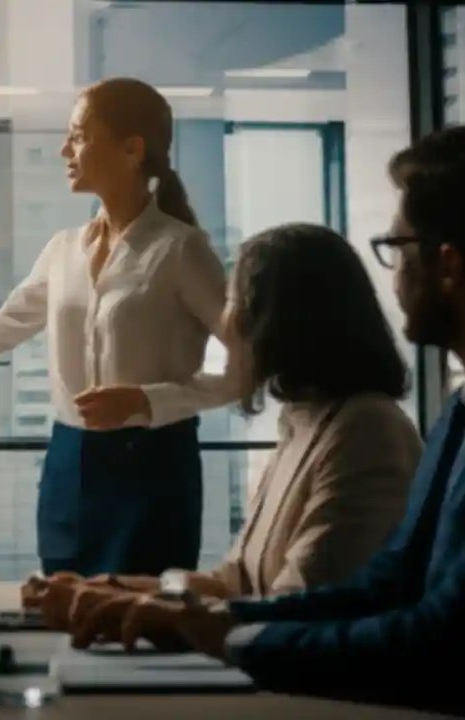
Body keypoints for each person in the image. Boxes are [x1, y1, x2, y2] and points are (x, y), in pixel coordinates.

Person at [63, 125, 465, 716]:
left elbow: (425, 632)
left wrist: (213, 629)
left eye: (397, 246)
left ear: (448, 265)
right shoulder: (450, 420)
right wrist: (132, 596)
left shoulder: (369, 430)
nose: (225, 322)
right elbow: (382, 585)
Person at [0, 77, 233, 576]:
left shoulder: (181, 249)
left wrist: (149, 401)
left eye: (77, 135)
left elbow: (247, 368)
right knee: (62, 609)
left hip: (152, 465)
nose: (63, 150)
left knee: (137, 621)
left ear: (132, 149)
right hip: (67, 461)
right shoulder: (63, 249)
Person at [25, 223, 421, 630]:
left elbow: (299, 608)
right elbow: (236, 581)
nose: (225, 321)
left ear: (281, 318)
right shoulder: (303, 423)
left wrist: (151, 613)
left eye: (234, 301)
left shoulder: (366, 434)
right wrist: (113, 589)